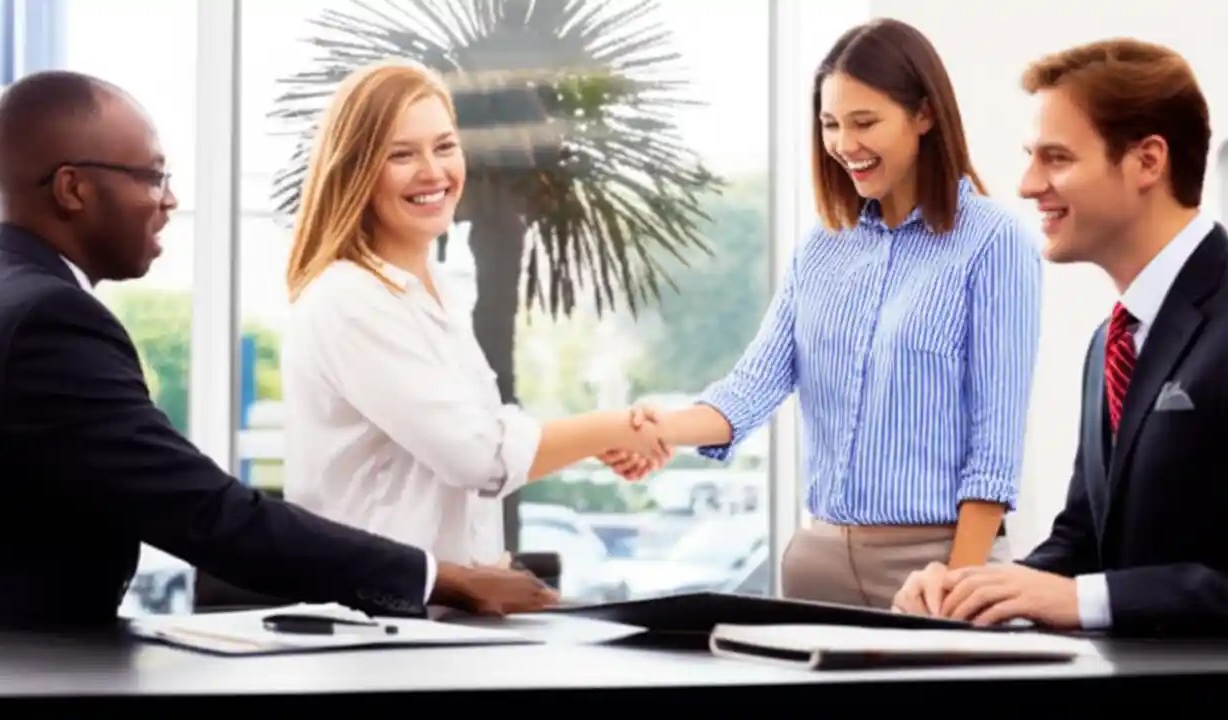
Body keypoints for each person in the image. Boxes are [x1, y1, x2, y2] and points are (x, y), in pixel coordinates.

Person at [0, 69, 558, 628]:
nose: (169, 199)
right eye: (152, 176)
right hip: (20, 668)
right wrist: (440, 577)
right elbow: (205, 513)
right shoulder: (46, 319)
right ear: (73, 189)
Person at [607, 18, 1043, 609]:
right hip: (820, 566)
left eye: (865, 122)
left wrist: (957, 587)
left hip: (936, 565)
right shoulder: (822, 248)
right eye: (831, 124)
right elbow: (750, 387)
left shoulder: (992, 242)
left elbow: (994, 450)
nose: (844, 144)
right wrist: (659, 429)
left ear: (924, 115)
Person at [893, 38, 1228, 636]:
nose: (1026, 184)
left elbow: (1091, 590)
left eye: (1056, 158)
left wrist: (1079, 602)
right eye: (1031, 156)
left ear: (1149, 161)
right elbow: (1082, 544)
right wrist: (976, 588)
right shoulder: (1112, 341)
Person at [279, 59, 667, 570]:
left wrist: (595, 441)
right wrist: (609, 428)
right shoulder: (350, 301)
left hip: (441, 621)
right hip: (374, 630)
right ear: (355, 170)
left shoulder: (435, 292)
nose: (434, 172)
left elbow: (481, 430)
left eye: (444, 146)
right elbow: (478, 458)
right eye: (401, 155)